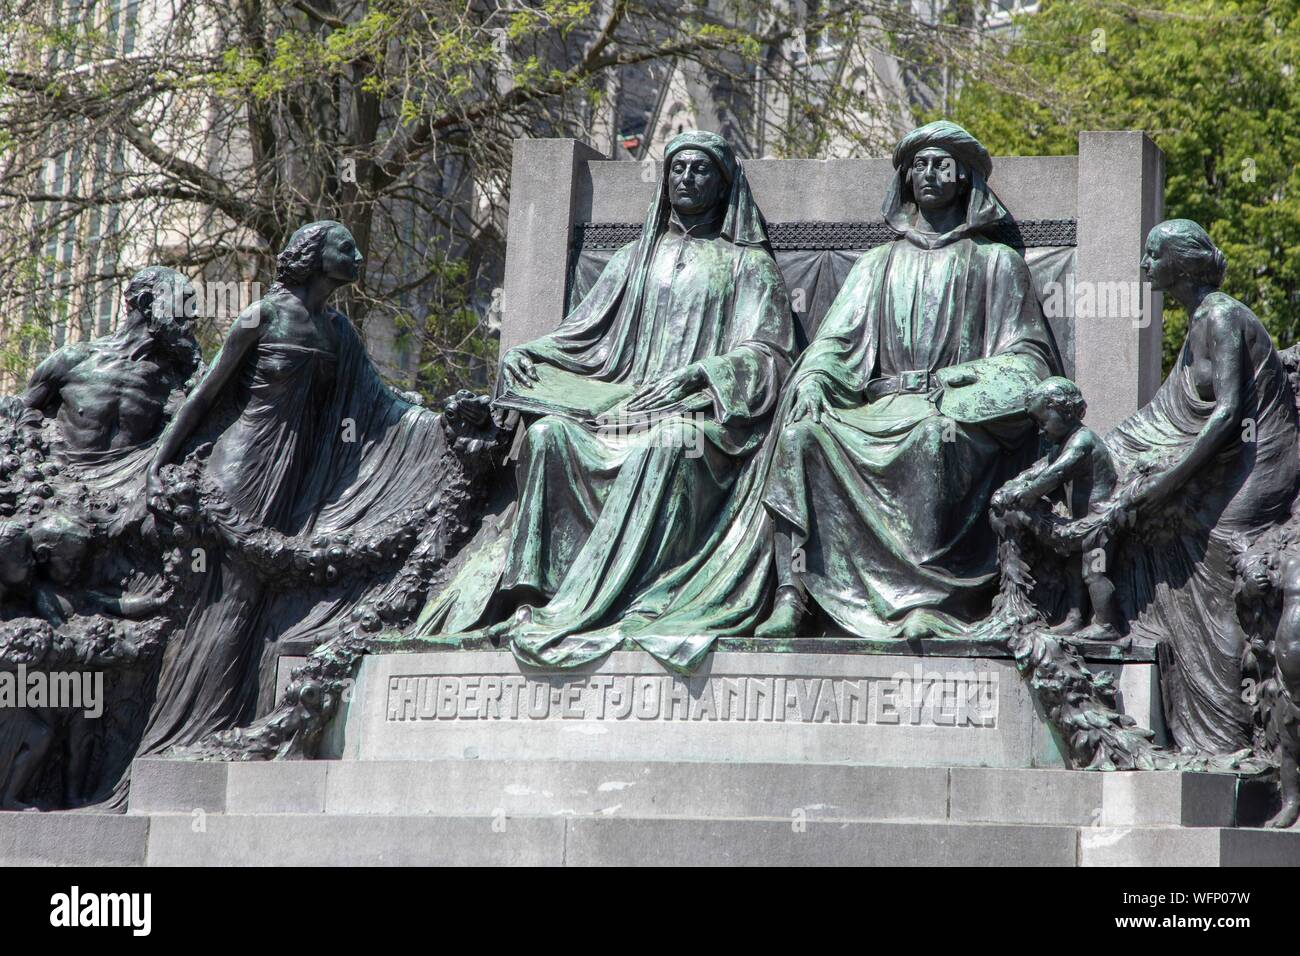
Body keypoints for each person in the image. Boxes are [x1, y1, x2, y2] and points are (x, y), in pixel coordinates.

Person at [413, 130, 796, 670]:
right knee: (548, 436)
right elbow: (580, 336)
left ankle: (644, 597)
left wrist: (703, 375)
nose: (687, 177)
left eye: (701, 169)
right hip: (620, 410)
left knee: (670, 445)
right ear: (664, 180)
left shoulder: (746, 264)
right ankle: (532, 597)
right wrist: (529, 355)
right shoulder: (631, 262)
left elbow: (772, 354)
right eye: (677, 168)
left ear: (724, 182)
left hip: (697, 419)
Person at [136, 221, 452, 753]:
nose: (356, 254)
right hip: (242, 466)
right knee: (230, 598)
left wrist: (442, 425)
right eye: (344, 247)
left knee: (261, 601)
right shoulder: (262, 314)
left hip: (300, 477)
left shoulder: (340, 333)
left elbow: (379, 406)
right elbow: (205, 395)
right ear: (313, 255)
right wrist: (158, 464)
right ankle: (185, 734)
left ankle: (234, 718)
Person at [756, 120, 1061, 640]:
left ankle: (928, 600)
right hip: (877, 407)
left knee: (930, 437)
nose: (928, 174)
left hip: (950, 410)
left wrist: (964, 382)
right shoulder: (877, 263)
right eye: (918, 164)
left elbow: (1029, 357)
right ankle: (794, 594)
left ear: (966, 178)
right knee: (800, 437)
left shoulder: (997, 263)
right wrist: (812, 381)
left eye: (942, 163)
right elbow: (835, 344)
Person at [1110, 219, 1299, 753]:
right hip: (1232, 457)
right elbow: (1176, 412)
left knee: (1208, 556)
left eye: (1154, 255)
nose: (1145, 265)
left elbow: (1229, 412)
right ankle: (1192, 712)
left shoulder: (1220, 316)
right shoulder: (1197, 320)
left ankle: (1225, 730)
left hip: (1260, 462)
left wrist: (1168, 480)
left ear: (1181, 263)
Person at [994, 376, 1122, 640]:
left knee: (1094, 572)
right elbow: (1040, 469)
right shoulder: (1062, 444)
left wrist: (1028, 494)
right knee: (1074, 570)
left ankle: (1106, 624)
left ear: (1065, 410)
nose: (1041, 430)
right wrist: (1014, 485)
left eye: (1043, 422)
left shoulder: (1082, 440)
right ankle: (1075, 618)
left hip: (1098, 524)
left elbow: (1056, 472)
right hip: (1080, 525)